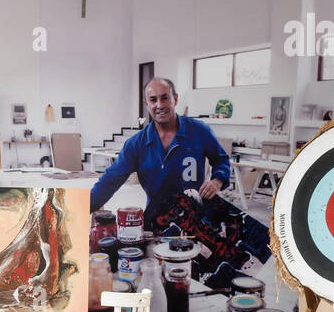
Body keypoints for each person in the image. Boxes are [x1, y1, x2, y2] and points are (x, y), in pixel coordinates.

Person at [90, 77, 231, 221]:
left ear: (175, 99)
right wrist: (81, 208)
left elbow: (221, 159)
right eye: (153, 100)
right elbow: (109, 181)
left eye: (165, 98)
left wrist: (217, 180)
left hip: (195, 219)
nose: (159, 105)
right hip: (157, 220)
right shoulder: (136, 144)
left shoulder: (199, 131)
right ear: (146, 104)